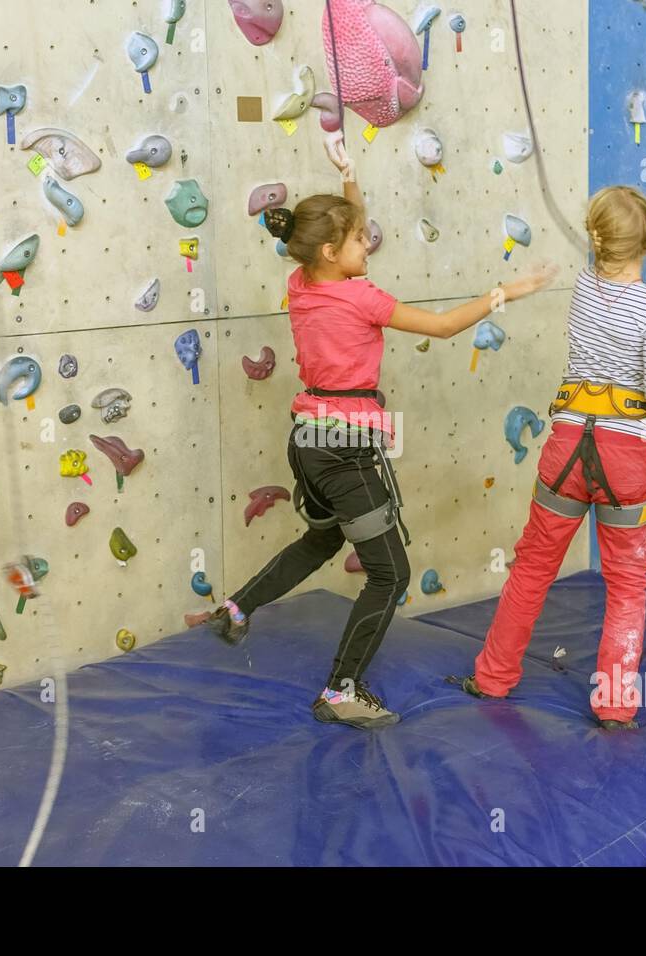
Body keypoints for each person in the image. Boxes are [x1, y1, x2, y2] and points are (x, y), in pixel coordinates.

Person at [187, 133, 557, 730]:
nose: (370, 243)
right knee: (390, 575)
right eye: (362, 238)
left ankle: (237, 606)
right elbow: (439, 326)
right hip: (345, 449)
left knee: (321, 541)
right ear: (332, 249)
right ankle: (340, 691)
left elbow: (339, 242)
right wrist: (504, 293)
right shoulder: (363, 298)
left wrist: (349, 176)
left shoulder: (301, 285)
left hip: (307, 441)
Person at [456, 185, 646, 729]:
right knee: (626, 585)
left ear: (598, 240)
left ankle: (493, 676)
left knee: (531, 569)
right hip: (624, 456)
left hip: (568, 446)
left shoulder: (584, 285)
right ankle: (615, 705)